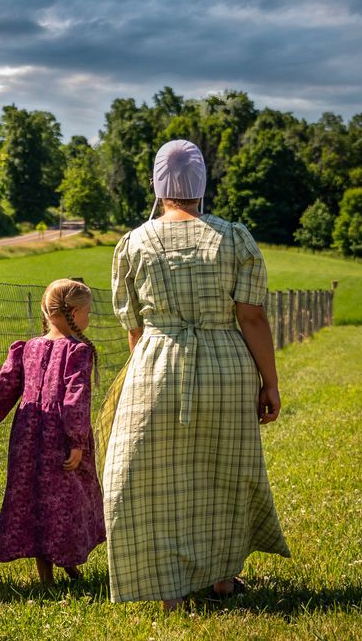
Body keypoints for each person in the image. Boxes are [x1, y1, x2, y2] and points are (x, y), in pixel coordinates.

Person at [104, 139, 290, 610]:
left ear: (156, 184)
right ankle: (224, 578)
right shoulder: (235, 237)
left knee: (151, 478)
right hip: (227, 365)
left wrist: (149, 362)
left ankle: (168, 591)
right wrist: (269, 381)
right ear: (202, 184)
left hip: (157, 364)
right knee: (223, 471)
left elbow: (133, 328)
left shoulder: (134, 242)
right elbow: (251, 316)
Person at [0, 279, 105, 583]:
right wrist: (76, 440)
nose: (89, 318)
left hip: (28, 435)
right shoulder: (78, 351)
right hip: (59, 438)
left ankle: (50, 571)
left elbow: (5, 387)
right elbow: (76, 397)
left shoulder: (30, 347)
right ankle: (64, 560)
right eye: (87, 312)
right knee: (63, 499)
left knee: (35, 498)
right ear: (74, 312)